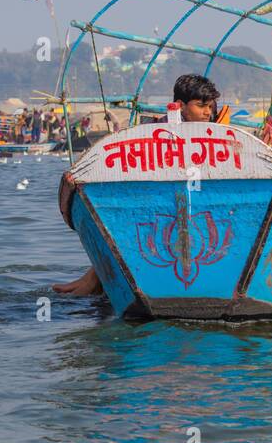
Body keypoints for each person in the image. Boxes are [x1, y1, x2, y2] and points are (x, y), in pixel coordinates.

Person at [56, 73, 227, 297]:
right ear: (180, 106)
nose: (207, 112)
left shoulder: (212, 133)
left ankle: (95, 277)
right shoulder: (158, 132)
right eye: (201, 106)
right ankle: (96, 276)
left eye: (211, 107)